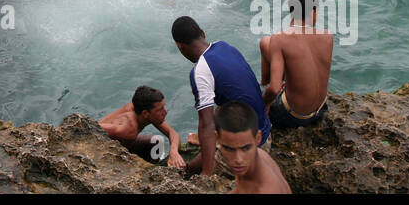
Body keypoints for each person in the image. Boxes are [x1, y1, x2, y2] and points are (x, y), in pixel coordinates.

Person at [171, 15, 269, 177]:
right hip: (264, 131)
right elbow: (230, 100)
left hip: (250, 151)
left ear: (180, 46)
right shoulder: (225, 46)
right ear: (203, 33)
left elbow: (206, 124)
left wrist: (207, 174)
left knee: (190, 173)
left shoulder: (200, 71)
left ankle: (193, 171)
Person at [260, 0, 332, 129]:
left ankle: (263, 84)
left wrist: (263, 105)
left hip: (292, 116)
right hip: (320, 110)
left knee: (265, 42)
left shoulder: (280, 39)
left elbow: (274, 89)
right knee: (271, 45)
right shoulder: (328, 37)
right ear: (313, 12)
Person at [99, 85, 185, 169]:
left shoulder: (142, 109)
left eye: (163, 107)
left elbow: (172, 133)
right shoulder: (128, 128)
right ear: (145, 114)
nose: (165, 112)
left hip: (126, 146)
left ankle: (152, 170)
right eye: (160, 110)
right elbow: (96, 127)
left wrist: (173, 152)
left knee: (157, 141)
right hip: (108, 153)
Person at [215, 101, 291, 194]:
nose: (238, 159)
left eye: (246, 148)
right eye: (230, 149)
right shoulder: (259, 156)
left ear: (258, 138)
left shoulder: (265, 189)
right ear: (216, 139)